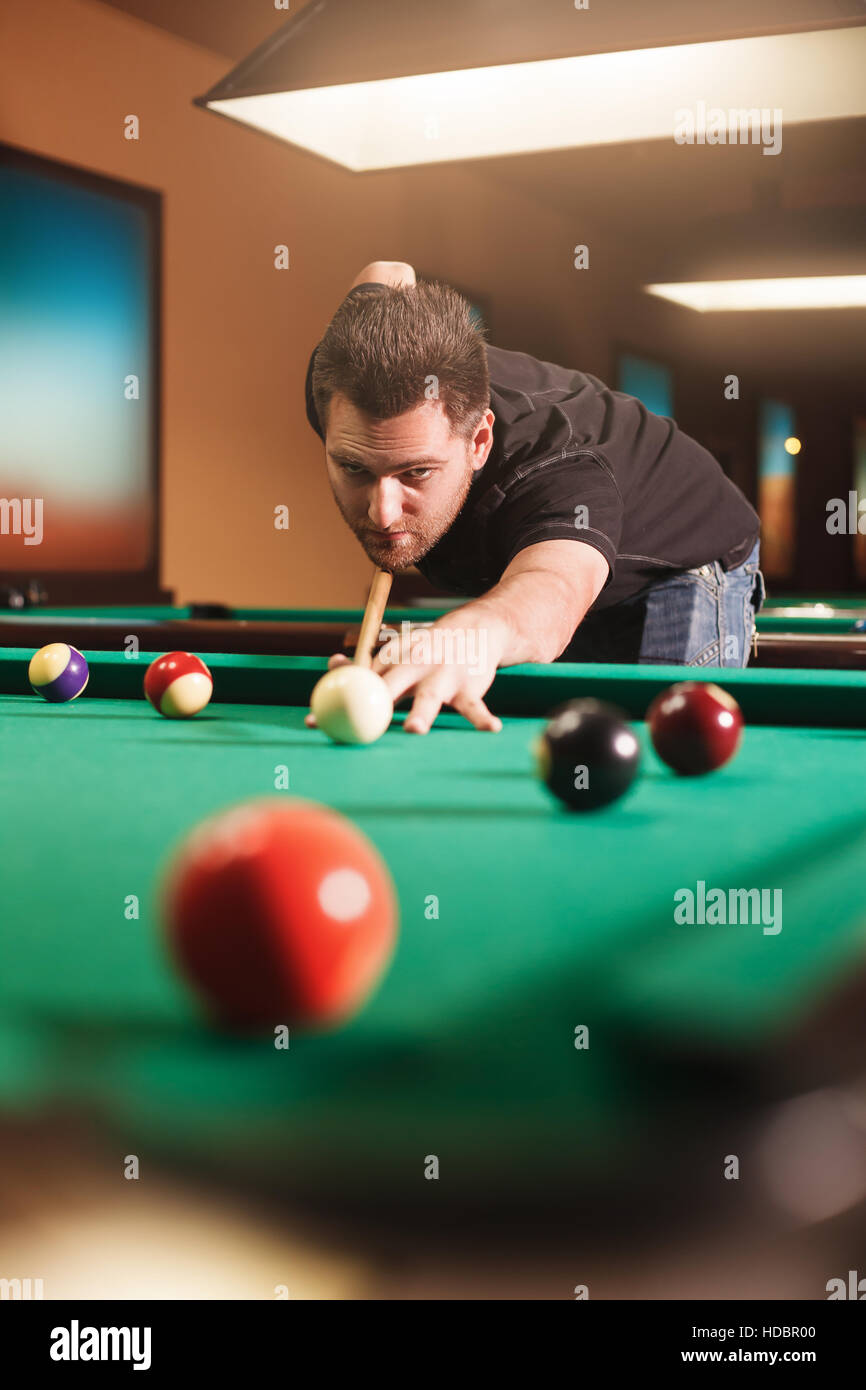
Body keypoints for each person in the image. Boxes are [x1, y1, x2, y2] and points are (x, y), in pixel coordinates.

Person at [304, 260, 763, 734]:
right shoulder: (339, 378)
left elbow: (554, 588)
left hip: (679, 562)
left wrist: (472, 636)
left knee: (663, 744)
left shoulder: (558, 468)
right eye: (354, 467)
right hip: (539, 552)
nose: (383, 511)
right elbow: (389, 269)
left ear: (479, 442)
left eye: (417, 471)